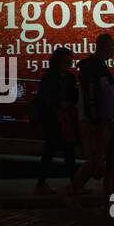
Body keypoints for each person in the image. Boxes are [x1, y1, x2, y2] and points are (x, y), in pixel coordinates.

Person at [67, 33, 114, 207]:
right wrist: (95, 120)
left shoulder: (99, 67)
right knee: (96, 160)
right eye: (111, 46)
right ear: (103, 47)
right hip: (99, 121)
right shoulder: (93, 68)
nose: (113, 50)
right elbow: (93, 96)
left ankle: (109, 197)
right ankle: (72, 190)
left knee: (113, 159)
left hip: (108, 120)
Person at [32, 47, 78, 194]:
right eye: (68, 59)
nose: (70, 61)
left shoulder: (68, 77)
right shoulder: (50, 76)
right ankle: (72, 184)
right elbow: (45, 97)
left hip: (64, 119)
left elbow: (73, 96)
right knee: (55, 149)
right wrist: (60, 103)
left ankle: (73, 184)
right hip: (52, 118)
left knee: (65, 150)